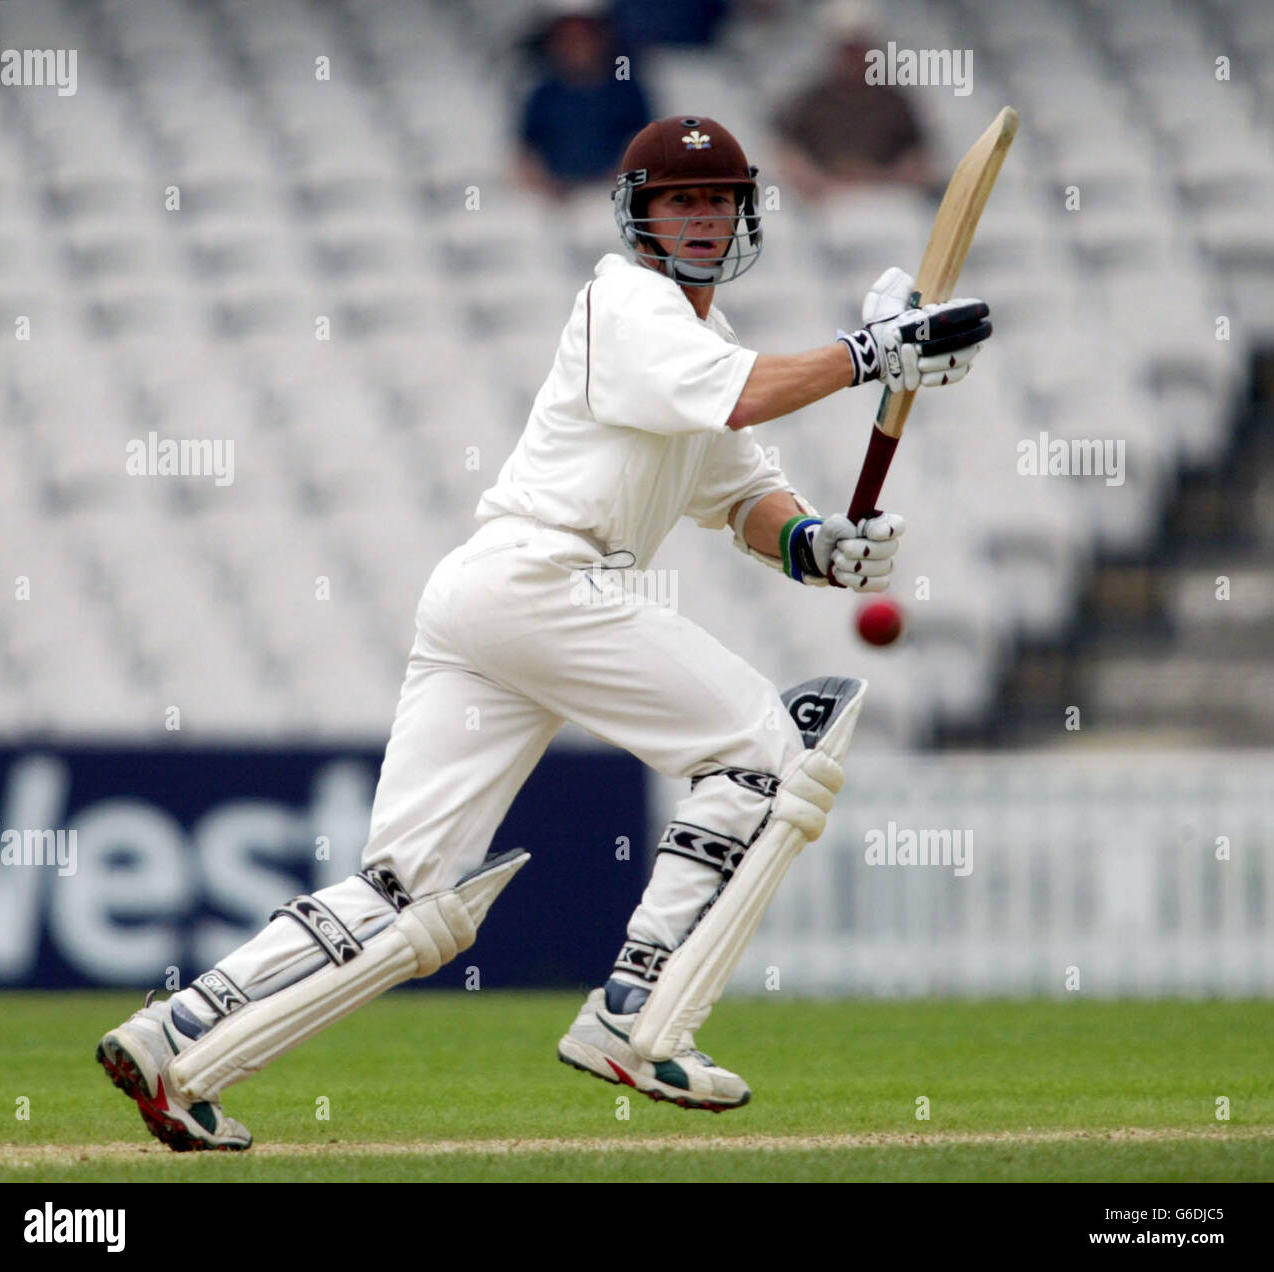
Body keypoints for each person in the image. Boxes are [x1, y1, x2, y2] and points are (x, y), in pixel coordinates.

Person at [96, 114, 990, 1150]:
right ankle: (636, 1018)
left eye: (717, 200)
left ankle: (178, 1039)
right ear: (638, 216)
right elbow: (750, 395)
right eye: (677, 201)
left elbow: (745, 498)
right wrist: (873, 353)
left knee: (409, 899)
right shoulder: (627, 302)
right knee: (766, 752)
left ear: (743, 215)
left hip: (495, 599)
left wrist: (820, 546)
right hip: (543, 578)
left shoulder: (703, 348)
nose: (699, 218)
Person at [772, 0, 935, 199]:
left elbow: (919, 159)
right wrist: (823, 183)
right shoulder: (810, 102)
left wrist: (879, 179)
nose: (853, 59)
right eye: (847, 51)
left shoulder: (894, 102)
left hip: (886, 199)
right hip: (825, 202)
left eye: (859, 50)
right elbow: (787, 156)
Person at [515, 6, 651, 199]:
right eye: (566, 40)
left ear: (600, 41)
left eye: (582, 38)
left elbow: (643, 143)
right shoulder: (542, 93)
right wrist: (544, 185)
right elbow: (527, 152)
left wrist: (621, 178)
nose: (575, 47)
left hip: (613, 193)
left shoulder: (626, 90)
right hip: (555, 197)